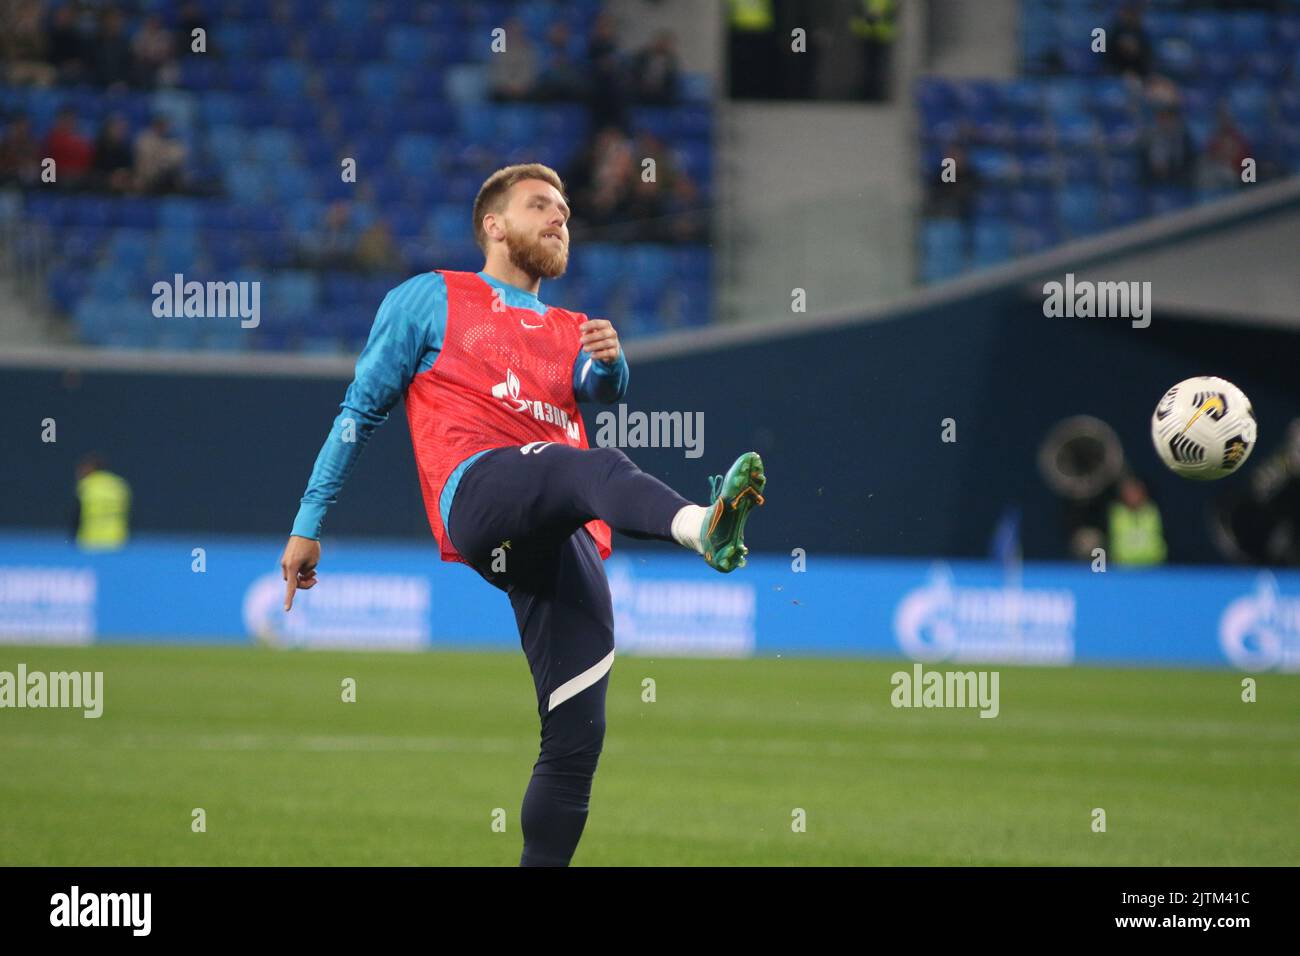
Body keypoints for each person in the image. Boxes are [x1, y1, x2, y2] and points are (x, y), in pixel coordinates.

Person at [278, 163, 767, 867]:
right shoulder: (431, 298)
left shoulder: (569, 326)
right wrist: (306, 523)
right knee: (596, 465)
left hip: (559, 529)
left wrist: (607, 365)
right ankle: (702, 526)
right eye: (540, 205)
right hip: (480, 492)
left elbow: (601, 390)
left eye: (566, 210)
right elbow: (360, 411)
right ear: (494, 225)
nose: (559, 218)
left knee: (574, 741)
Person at [72, 454, 131, 551]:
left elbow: (76, 514)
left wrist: (73, 538)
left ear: (91, 468)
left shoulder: (87, 485)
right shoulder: (119, 485)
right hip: (117, 541)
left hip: (90, 541)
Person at [1107, 475, 1166, 566]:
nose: (1133, 496)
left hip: (1152, 565)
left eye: (1135, 492)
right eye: (1129, 493)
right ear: (1123, 495)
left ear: (1143, 494)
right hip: (1122, 566)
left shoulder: (1151, 512)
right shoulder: (1116, 513)